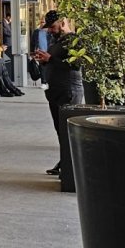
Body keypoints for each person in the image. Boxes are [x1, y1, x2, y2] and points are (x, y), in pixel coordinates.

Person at [32, 11, 85, 187]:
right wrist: (45, 60)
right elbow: (57, 61)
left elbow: (76, 64)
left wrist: (51, 59)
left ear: (63, 23)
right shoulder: (58, 40)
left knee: (66, 130)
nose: (51, 31)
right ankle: (64, 162)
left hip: (68, 90)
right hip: (56, 90)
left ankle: (68, 165)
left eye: (53, 27)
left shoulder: (72, 40)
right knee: (60, 130)